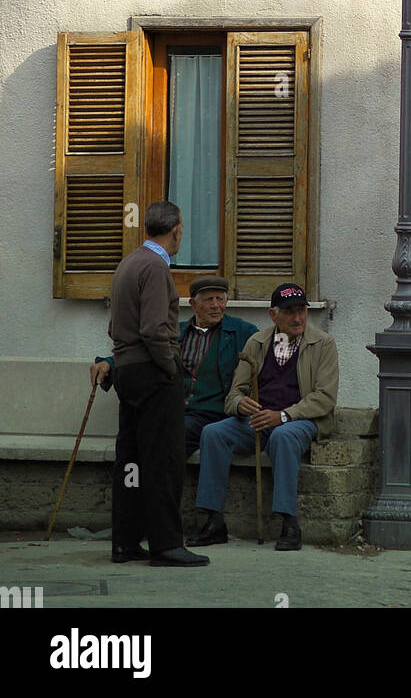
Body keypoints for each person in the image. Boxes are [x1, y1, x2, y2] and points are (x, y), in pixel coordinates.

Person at [187, 283, 338, 552]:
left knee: (283, 436)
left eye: (301, 310)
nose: (297, 318)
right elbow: (235, 392)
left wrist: (283, 415)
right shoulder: (257, 343)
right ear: (273, 315)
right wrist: (240, 404)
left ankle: (289, 522)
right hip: (258, 419)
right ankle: (214, 521)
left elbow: (324, 398)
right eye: (289, 311)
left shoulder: (322, 344)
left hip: (299, 420)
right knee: (213, 432)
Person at [108, 200, 209, 568]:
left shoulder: (129, 263)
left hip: (127, 370)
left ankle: (126, 540)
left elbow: (118, 324)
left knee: (131, 460)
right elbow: (153, 328)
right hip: (153, 372)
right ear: (176, 230)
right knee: (163, 459)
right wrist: (171, 368)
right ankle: (166, 543)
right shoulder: (155, 267)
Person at [92, 278, 259, 458]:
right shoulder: (175, 333)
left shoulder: (242, 332)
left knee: (173, 435)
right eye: (209, 300)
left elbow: (265, 361)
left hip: (213, 414)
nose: (216, 305)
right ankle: (138, 483)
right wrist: (108, 363)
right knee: (137, 431)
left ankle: (159, 484)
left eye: (220, 299)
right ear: (193, 304)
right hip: (174, 409)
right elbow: (141, 353)